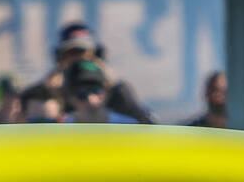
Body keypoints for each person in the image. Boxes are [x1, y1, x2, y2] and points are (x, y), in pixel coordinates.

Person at [24, 22, 155, 123]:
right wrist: (49, 89)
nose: (77, 59)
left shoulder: (115, 89)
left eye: (82, 53)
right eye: (71, 54)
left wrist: (104, 77)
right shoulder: (54, 88)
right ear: (61, 57)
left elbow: (145, 122)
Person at [61, 60, 140, 123]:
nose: (90, 99)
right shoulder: (58, 132)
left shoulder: (130, 128)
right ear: (69, 97)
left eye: (95, 90)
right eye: (81, 93)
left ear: (107, 91)